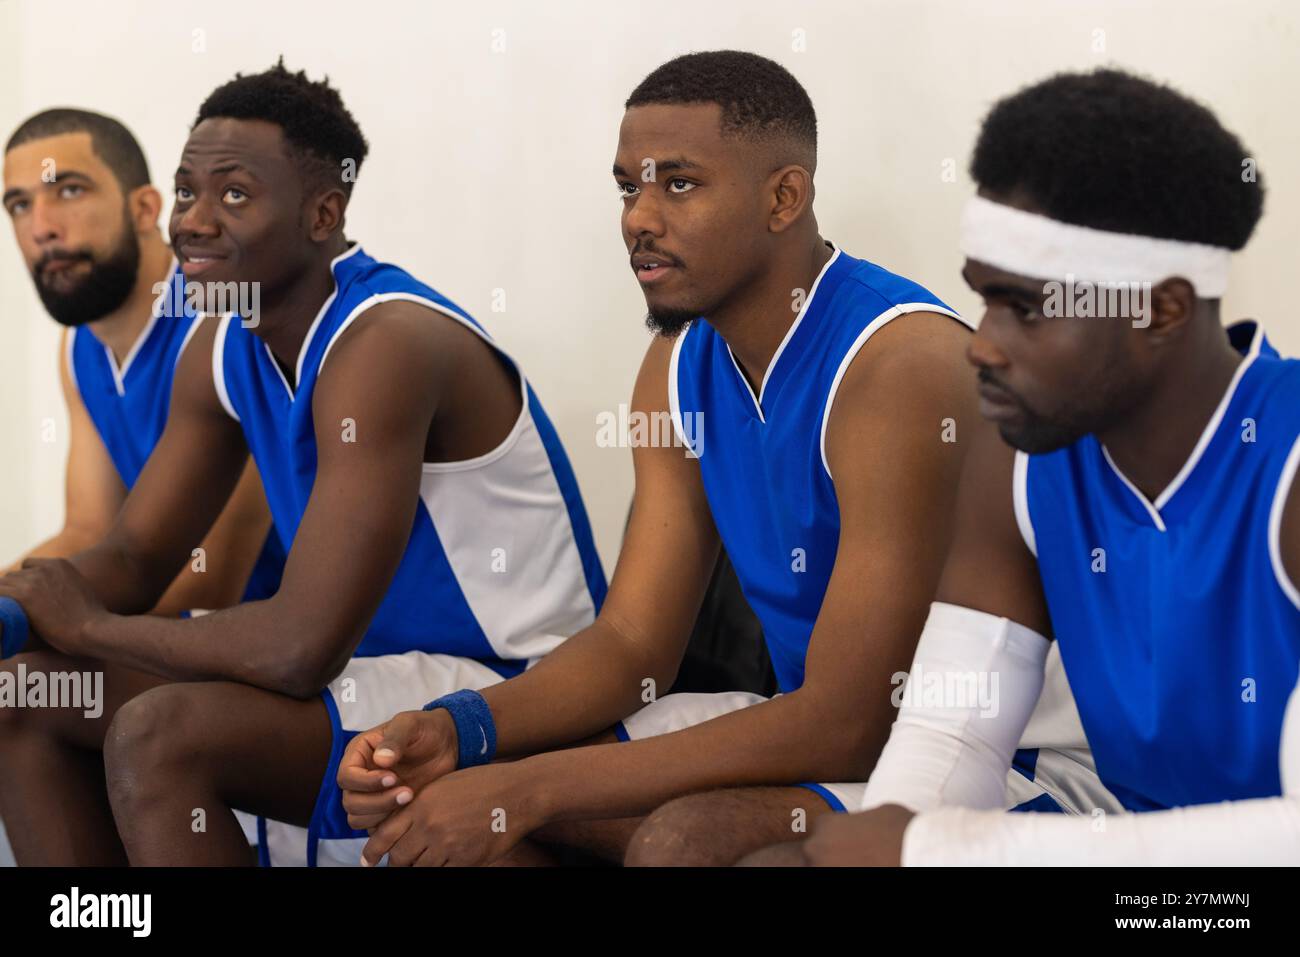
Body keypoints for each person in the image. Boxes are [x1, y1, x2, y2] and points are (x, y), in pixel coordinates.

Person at [338, 51, 1113, 868]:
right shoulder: (675, 367)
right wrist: (463, 726)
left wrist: (532, 789)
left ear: (784, 197)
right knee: (447, 794)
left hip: (1021, 765)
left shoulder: (899, 366)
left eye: (677, 183)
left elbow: (852, 721)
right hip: (833, 735)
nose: (639, 217)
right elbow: (634, 642)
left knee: (672, 835)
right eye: (626, 187)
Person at [0, 61, 605, 867]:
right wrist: (16, 614)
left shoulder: (384, 340)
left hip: (510, 688)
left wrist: (94, 627)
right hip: (377, 677)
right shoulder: (219, 341)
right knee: (22, 697)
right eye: (186, 193)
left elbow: (299, 645)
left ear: (324, 211)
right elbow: (135, 555)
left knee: (161, 732)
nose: (195, 221)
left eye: (235, 195)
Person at [760, 68, 1299, 866]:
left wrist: (934, 849)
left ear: (1162, 309)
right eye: (984, 297)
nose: (981, 341)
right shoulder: (1023, 448)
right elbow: (951, 733)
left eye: (1027, 307)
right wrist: (896, 843)